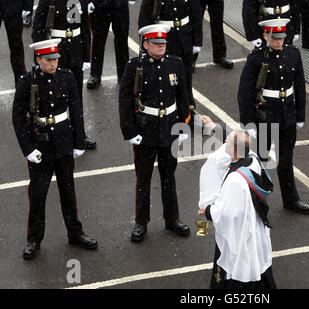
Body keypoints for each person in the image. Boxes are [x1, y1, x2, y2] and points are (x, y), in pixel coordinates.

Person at [13, 39, 98, 260]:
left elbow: (76, 111)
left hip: (62, 141)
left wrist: (79, 142)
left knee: (68, 191)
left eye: (56, 59)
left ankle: (75, 232)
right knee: (38, 194)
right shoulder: (27, 81)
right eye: (49, 60)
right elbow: (18, 117)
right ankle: (34, 239)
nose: (53, 64)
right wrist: (27, 149)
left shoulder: (66, 77)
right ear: (38, 59)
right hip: (40, 144)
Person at [119, 24, 192, 241]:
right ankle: (141, 222)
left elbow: (183, 96)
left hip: (169, 128)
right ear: (146, 44)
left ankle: (172, 219)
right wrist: (130, 131)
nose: (161, 47)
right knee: (144, 179)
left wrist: (183, 125)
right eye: (157, 44)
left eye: (163, 43)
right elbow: (124, 100)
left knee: (169, 177)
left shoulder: (175, 63)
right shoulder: (134, 66)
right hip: (146, 130)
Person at [238, 18, 309, 215]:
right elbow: (245, 92)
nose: (279, 41)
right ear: (265, 36)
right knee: (259, 160)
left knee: (286, 160)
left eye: (281, 37)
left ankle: (291, 199)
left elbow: (299, 86)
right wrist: (248, 123)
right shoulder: (256, 58)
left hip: (287, 113)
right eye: (274, 38)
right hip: (265, 115)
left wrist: (300, 115)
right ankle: (256, 199)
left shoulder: (292, 54)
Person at [198, 130, 276, 289]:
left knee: (238, 268)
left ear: (234, 151)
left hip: (240, 232)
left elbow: (229, 213)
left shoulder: (235, 180)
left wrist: (207, 211)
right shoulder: (253, 160)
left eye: (227, 141)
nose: (224, 141)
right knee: (257, 263)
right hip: (254, 223)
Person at [32, 0, 97, 150]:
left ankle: (79, 135)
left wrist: (86, 56)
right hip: (55, 53)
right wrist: (41, 57)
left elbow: (85, 27)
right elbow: (38, 29)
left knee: (76, 99)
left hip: (75, 52)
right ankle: (52, 135)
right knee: (52, 98)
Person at [138, 0, 203, 109]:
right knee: (164, 79)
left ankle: (187, 111)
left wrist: (197, 40)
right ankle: (169, 111)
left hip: (184, 38)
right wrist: (146, 46)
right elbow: (145, 18)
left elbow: (196, 12)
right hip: (164, 40)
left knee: (186, 80)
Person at [86, 0, 135, 89]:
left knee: (122, 39)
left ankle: (123, 73)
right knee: (98, 39)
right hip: (99, 4)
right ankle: (95, 74)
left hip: (120, 4)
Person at [0, 0, 28, 86]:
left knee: (16, 48)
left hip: (14, 6)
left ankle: (21, 86)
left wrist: (27, 6)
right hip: (13, 6)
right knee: (16, 48)